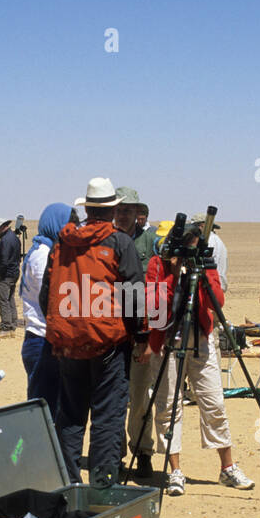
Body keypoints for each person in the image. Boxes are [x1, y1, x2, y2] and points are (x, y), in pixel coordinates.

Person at [40, 178, 143, 488]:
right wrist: (139, 335)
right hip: (108, 345)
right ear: (112, 210)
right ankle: (102, 487)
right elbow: (134, 295)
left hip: (69, 344)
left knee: (70, 415)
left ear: (88, 209)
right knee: (108, 417)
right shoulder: (119, 242)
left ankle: (68, 484)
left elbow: (47, 294)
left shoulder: (62, 242)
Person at [145, 223, 255, 496]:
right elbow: (157, 305)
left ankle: (227, 468)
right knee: (168, 407)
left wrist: (203, 272)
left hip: (202, 340)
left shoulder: (205, 265)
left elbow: (218, 300)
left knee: (214, 402)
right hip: (169, 341)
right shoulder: (157, 265)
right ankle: (175, 472)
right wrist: (172, 272)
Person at [115, 188, 156, 478]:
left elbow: (158, 287)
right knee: (113, 398)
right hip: (113, 333)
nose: (124, 213)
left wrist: (150, 336)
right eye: (120, 208)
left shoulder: (151, 241)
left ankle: (142, 452)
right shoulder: (107, 239)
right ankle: (113, 454)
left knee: (140, 399)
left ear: (137, 212)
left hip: (141, 332)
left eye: (129, 209)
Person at [19, 203, 73, 421]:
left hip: (43, 338)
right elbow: (50, 299)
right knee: (45, 411)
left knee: (51, 406)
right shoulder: (43, 255)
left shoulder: (45, 249)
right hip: (43, 340)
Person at [0, 218, 21, 335]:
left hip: (5, 275)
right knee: (10, 299)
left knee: (3, 300)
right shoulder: (14, 238)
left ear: (2, 227)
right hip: (13, 273)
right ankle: (12, 325)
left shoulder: (6, 240)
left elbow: (4, 260)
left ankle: (6, 327)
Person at [189, 212, 228, 293]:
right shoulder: (217, 240)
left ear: (202, 226)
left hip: (209, 286)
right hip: (216, 286)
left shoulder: (207, 241)